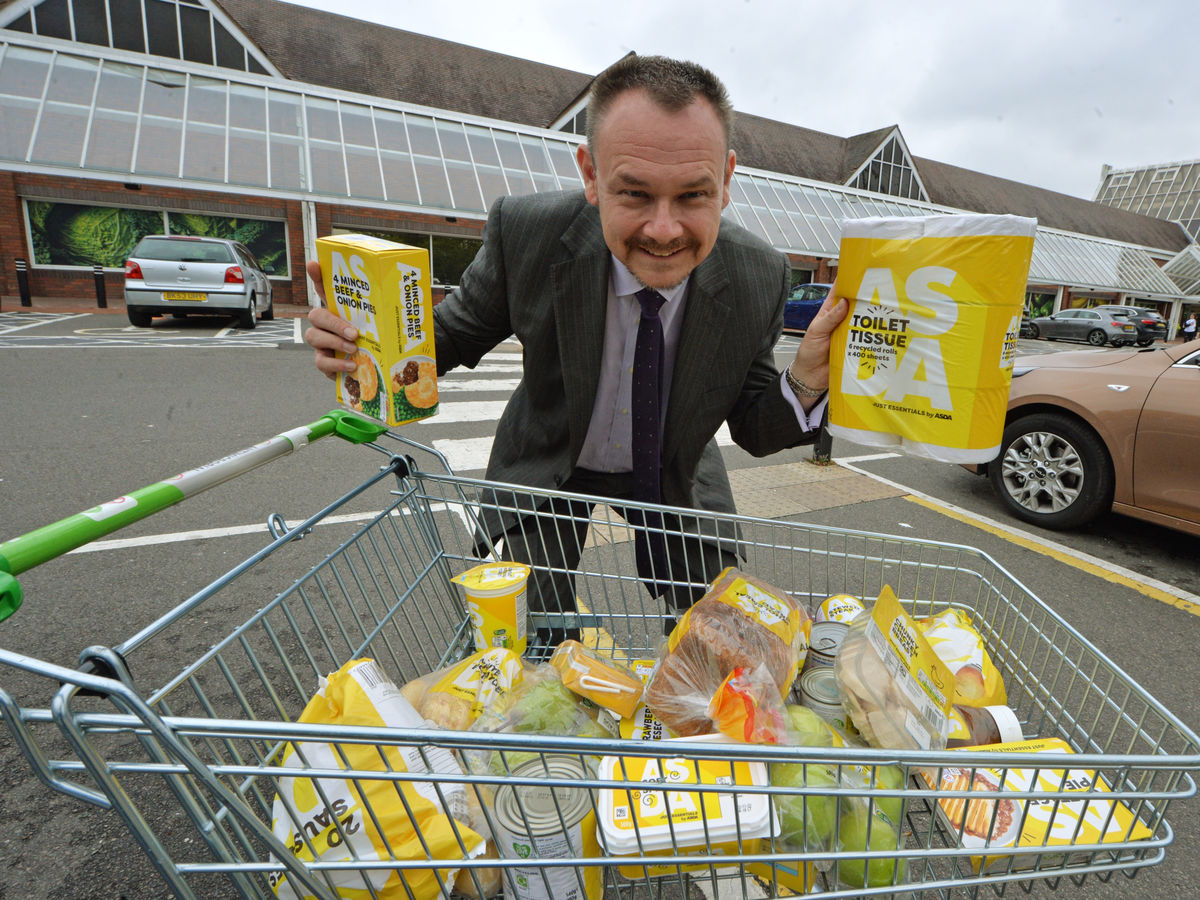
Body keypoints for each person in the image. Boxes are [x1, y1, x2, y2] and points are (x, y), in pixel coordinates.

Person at [305, 54, 848, 650]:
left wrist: (806, 379)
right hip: (551, 455)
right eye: (634, 193)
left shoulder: (758, 276)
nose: (664, 230)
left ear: (726, 180)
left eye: (693, 195)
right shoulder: (527, 234)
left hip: (672, 467)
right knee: (538, 631)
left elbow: (753, 425)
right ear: (590, 175)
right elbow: (447, 338)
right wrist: (365, 341)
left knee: (710, 634)